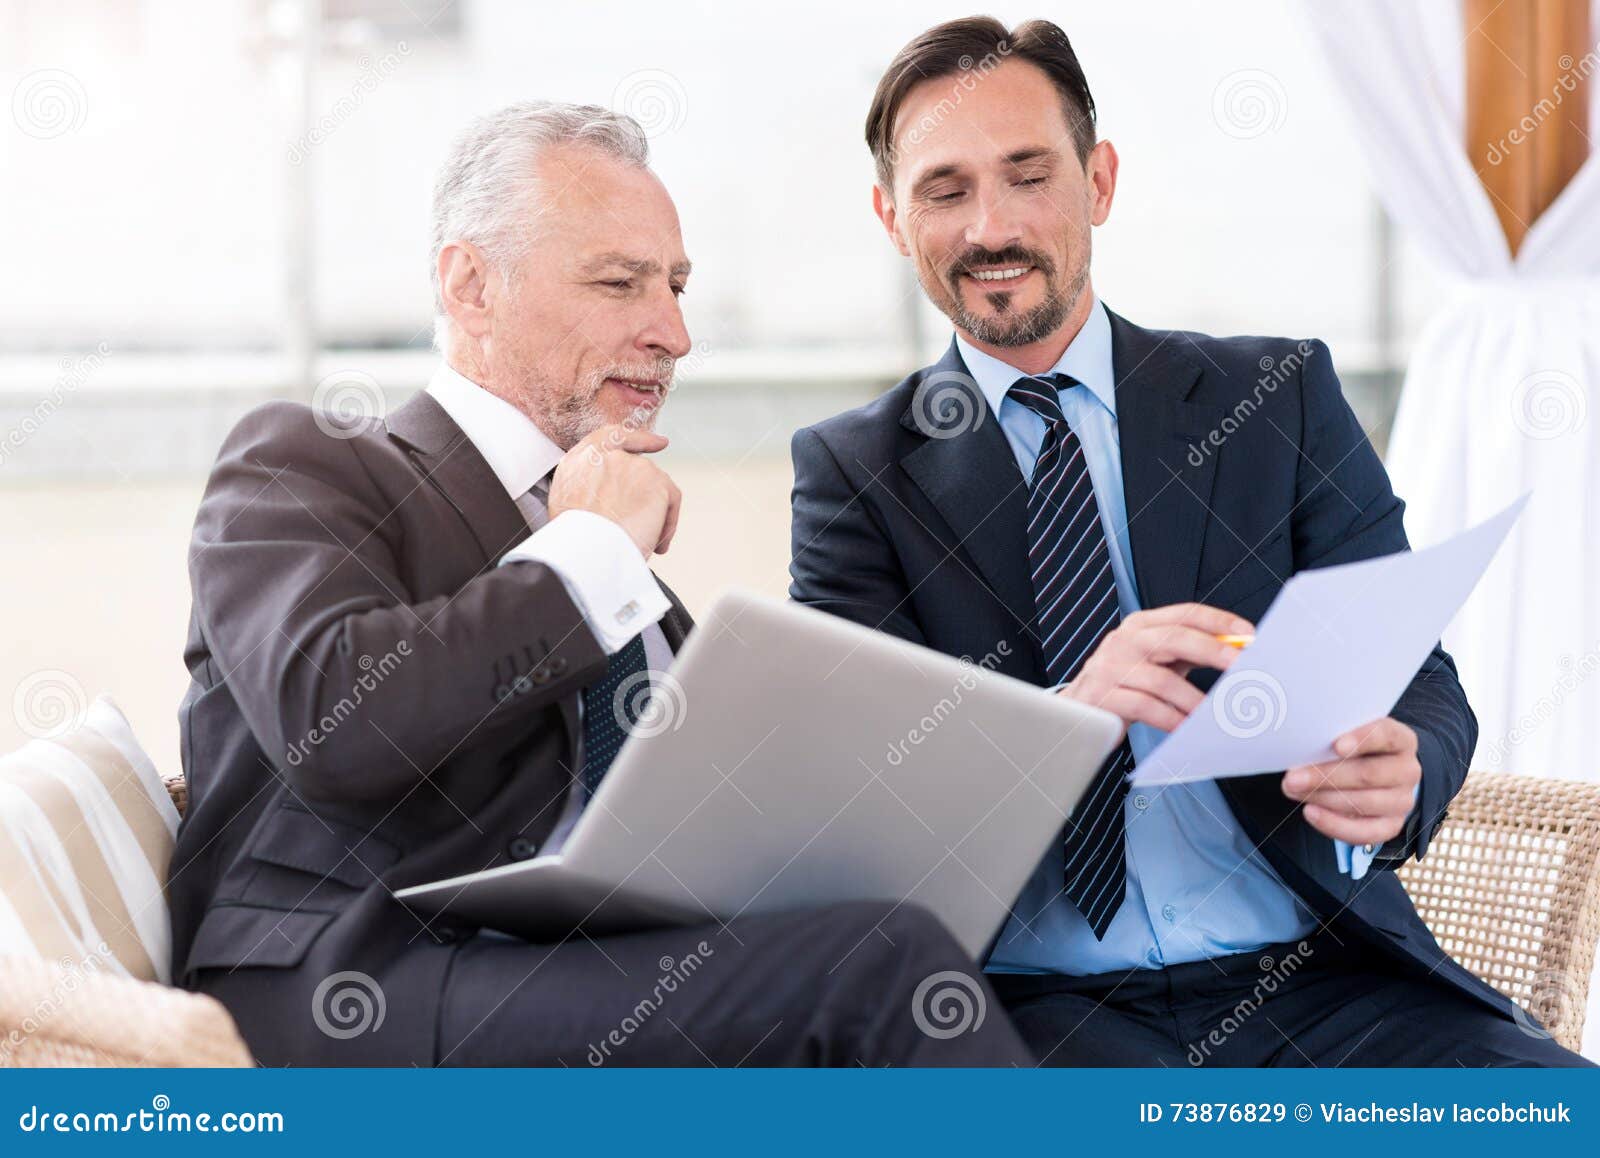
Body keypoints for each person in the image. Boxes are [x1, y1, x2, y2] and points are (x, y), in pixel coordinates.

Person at [788, 16, 1590, 1067]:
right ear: (894, 218)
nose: (991, 227)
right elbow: (859, 811)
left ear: (1099, 181)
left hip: (1326, 980)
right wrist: (1067, 718)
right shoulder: (852, 475)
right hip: (1035, 1012)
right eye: (946, 190)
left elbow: (1416, 679)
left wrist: (1406, 774)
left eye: (1028, 175)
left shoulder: (1274, 396)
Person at [169, 101, 1032, 1068]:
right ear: (471, 285)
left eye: (675, 286)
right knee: (888, 969)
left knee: (937, 933)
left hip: (576, 961)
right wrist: (584, 552)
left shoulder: (597, 534)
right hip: (351, 982)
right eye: (620, 283)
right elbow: (332, 717)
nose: (673, 333)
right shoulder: (310, 462)